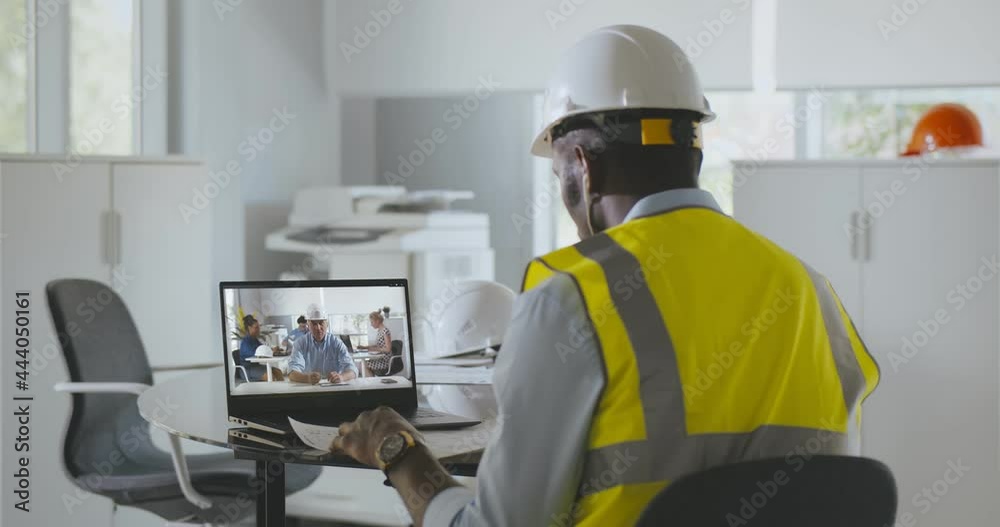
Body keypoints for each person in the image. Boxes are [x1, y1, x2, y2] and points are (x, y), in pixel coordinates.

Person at [332, 25, 880, 526]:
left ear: (582, 167)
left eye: (558, 174)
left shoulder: (571, 298)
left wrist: (400, 454)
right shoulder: (810, 289)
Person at [287, 304, 359, 384]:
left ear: (327, 324)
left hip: (334, 386)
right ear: (308, 325)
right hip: (308, 387)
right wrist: (307, 378)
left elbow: (352, 370)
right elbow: (291, 372)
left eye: (321, 323)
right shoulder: (300, 343)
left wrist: (341, 377)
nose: (318, 328)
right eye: (314, 324)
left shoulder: (337, 343)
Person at [238, 315, 283, 382]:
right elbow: (257, 354)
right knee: (269, 376)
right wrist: (271, 351)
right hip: (247, 369)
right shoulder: (245, 342)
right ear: (249, 328)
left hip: (256, 367)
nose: (259, 330)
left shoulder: (254, 339)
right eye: (256, 328)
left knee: (278, 372)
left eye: (259, 327)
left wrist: (272, 349)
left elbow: (263, 349)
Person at [356, 310, 392, 377]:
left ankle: (372, 383)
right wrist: (365, 347)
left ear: (377, 321)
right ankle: (372, 381)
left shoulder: (385, 331)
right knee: (362, 364)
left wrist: (374, 349)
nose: (371, 324)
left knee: (363, 365)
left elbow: (388, 349)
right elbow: (378, 345)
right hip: (380, 357)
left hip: (384, 360)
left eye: (372, 322)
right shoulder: (380, 330)